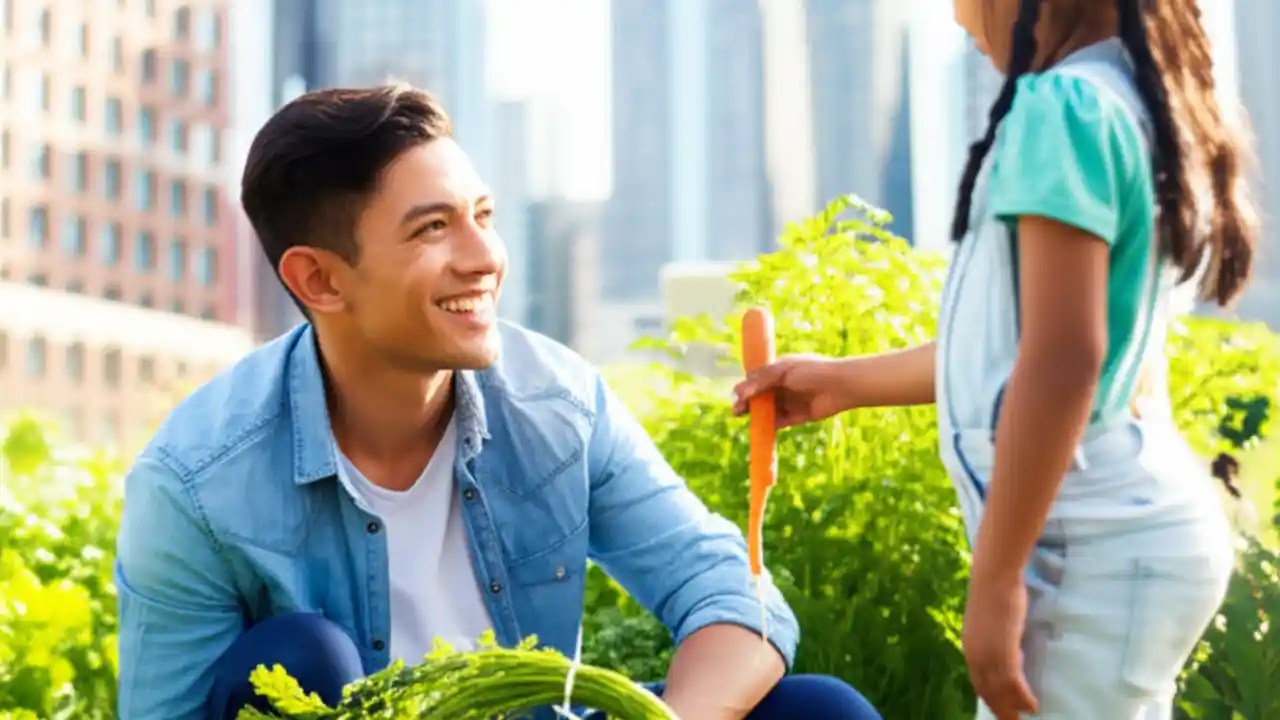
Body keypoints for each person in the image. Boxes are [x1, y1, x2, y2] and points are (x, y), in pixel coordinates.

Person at [112, 84, 882, 720]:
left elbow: (730, 591)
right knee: (299, 659)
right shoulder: (197, 483)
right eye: (433, 230)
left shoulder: (558, 403)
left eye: (482, 216)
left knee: (820, 711)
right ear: (319, 280)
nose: (483, 258)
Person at [734, 1, 1255, 718]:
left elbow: (1064, 358)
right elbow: (1029, 346)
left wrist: (999, 579)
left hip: (1084, 549)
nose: (953, 17)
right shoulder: (1127, 97)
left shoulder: (1060, 111)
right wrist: (848, 382)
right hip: (1127, 529)